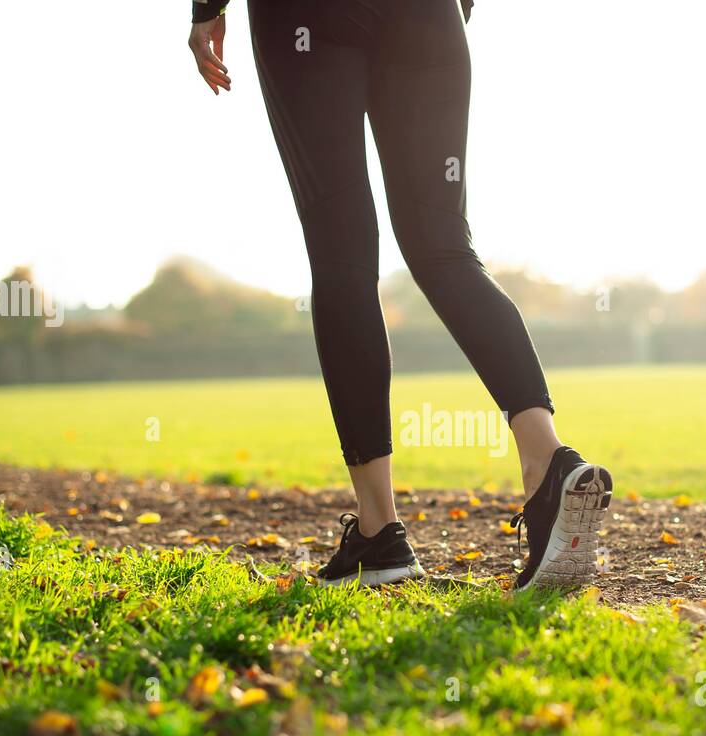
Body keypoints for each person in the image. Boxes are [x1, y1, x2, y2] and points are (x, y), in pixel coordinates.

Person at [186, 0, 612, 588]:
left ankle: (378, 531)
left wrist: (206, 9)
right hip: (426, 15)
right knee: (446, 249)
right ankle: (547, 462)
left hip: (306, 19)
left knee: (342, 258)